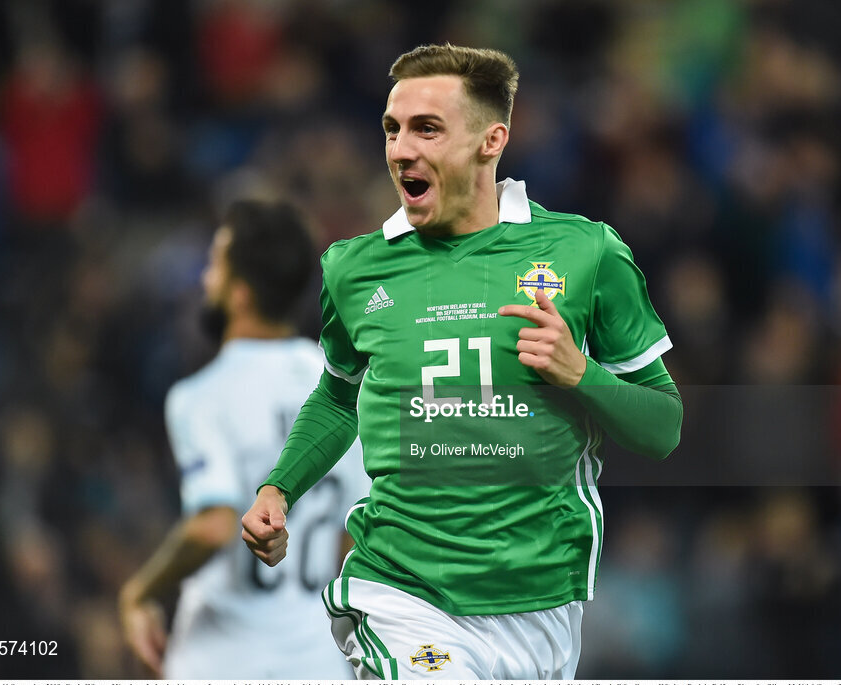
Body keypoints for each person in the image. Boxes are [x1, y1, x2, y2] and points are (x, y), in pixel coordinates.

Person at [241, 44, 683, 680]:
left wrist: (580, 374)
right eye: (392, 129)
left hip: (542, 605)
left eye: (427, 128)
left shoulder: (585, 253)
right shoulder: (354, 268)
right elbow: (340, 395)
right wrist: (279, 486)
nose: (400, 149)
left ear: (491, 140)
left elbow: (663, 428)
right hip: (401, 591)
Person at [119, 200, 367, 679]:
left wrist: (141, 592)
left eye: (215, 265)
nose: (205, 280)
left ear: (240, 294)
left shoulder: (202, 396)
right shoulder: (345, 390)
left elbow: (213, 526)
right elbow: (354, 535)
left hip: (221, 660)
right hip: (320, 662)